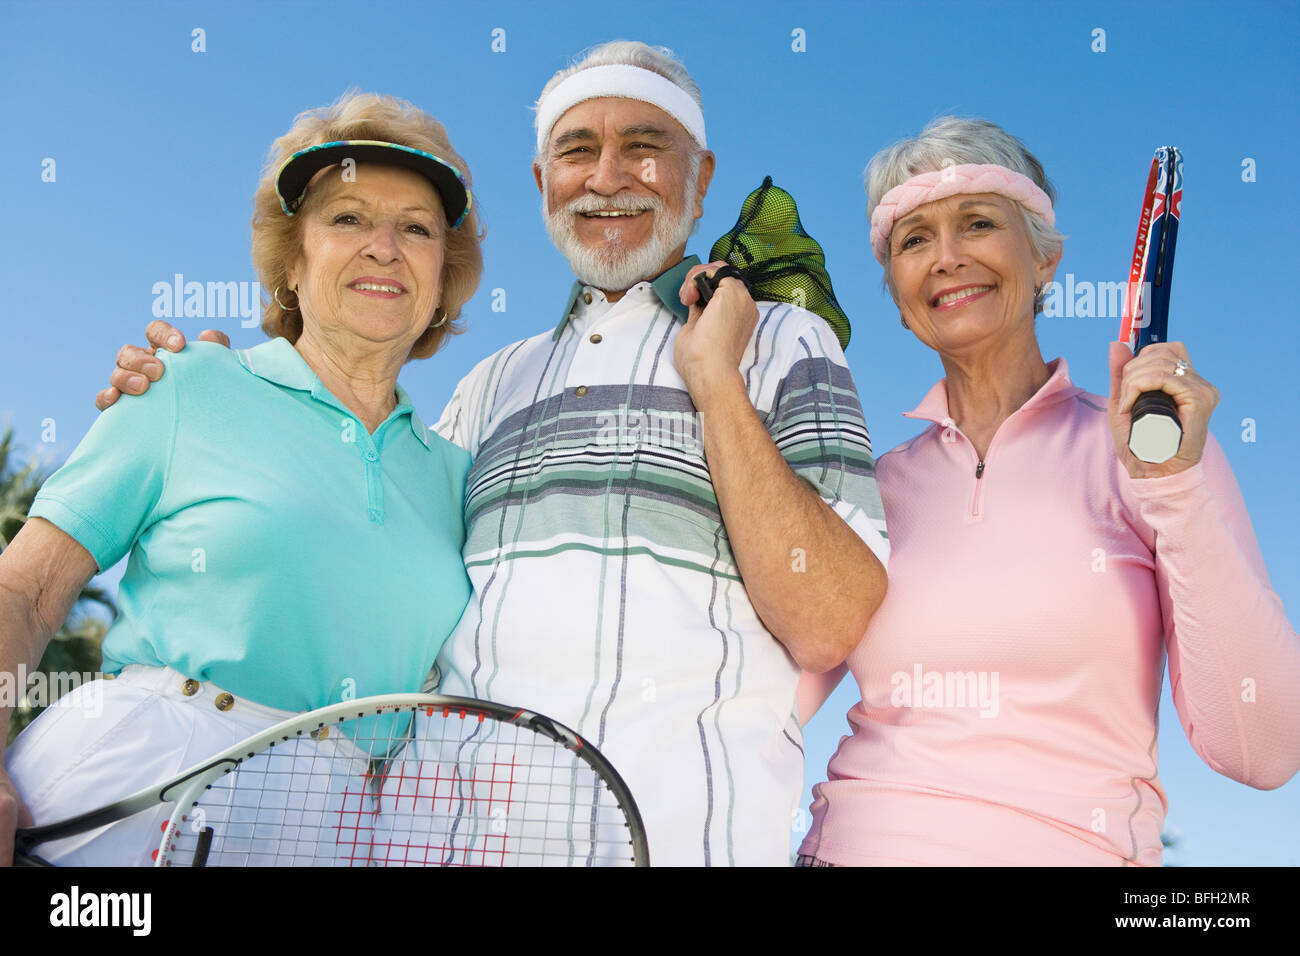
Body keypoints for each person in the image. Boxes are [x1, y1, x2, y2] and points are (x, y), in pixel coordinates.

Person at [96, 41, 891, 866]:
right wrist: (222, 390)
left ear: (701, 177)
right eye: (577, 150)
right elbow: (361, 554)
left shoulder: (784, 344)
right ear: (545, 183)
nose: (608, 175)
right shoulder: (488, 387)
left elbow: (829, 621)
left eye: (646, 148)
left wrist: (717, 384)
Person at [795, 117, 1300, 866]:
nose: (948, 257)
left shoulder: (1156, 456)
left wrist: (1173, 488)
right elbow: (756, 704)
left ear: (1046, 263)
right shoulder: (872, 488)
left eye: (978, 223)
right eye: (913, 239)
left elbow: (1263, 753)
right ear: (897, 295)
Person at [0, 91, 484, 866]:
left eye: (417, 228)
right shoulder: (188, 384)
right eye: (348, 217)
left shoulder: (461, 478)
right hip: (129, 788)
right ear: (292, 262)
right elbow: (23, 591)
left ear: (441, 280)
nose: (384, 247)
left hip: (337, 830)